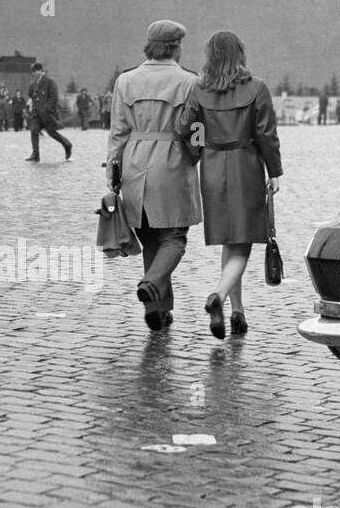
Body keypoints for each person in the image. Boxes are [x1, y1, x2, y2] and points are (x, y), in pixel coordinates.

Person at [177, 31, 284, 339]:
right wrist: (273, 171)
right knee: (243, 243)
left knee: (229, 240)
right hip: (245, 166)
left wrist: (199, 149)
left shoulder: (199, 90)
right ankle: (219, 297)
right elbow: (266, 134)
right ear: (240, 54)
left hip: (212, 168)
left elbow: (186, 127)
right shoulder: (256, 88)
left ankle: (237, 313)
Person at [108, 20, 201, 331]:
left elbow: (118, 131)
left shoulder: (126, 81)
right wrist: (196, 155)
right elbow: (196, 130)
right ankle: (151, 284)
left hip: (135, 162)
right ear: (175, 47)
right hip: (173, 161)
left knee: (150, 238)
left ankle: (156, 309)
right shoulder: (189, 81)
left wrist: (114, 170)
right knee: (174, 237)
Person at [27, 62, 72, 162]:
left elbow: (54, 98)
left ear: (40, 71)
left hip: (47, 114)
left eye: (34, 71)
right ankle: (35, 154)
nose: (33, 74)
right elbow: (31, 95)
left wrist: (45, 108)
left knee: (52, 133)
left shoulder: (50, 82)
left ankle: (67, 144)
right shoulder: (33, 84)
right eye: (32, 72)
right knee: (34, 130)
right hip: (36, 114)